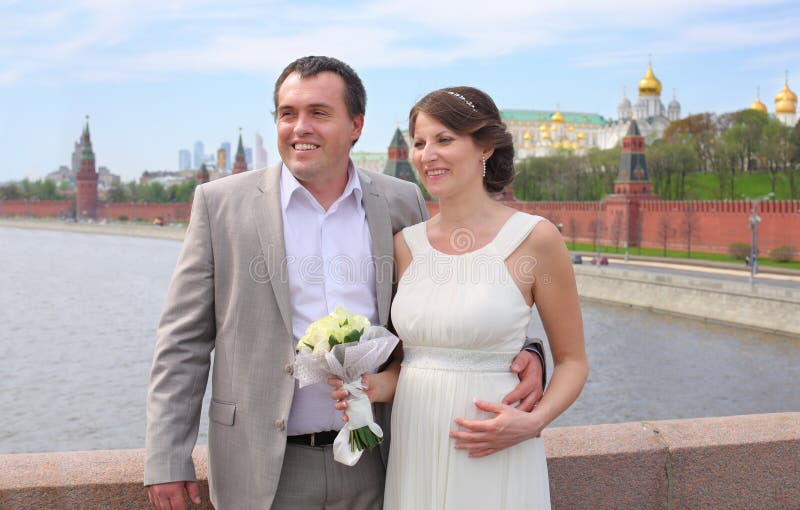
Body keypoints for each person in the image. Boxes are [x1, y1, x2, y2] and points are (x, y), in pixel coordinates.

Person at [144, 57, 545, 510]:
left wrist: (526, 349)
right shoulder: (220, 204)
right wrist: (166, 458)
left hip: (380, 458)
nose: (299, 127)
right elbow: (182, 342)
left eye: (318, 113)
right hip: (265, 466)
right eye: (286, 114)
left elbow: (446, 300)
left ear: (356, 125)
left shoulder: (399, 200)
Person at [337, 86, 589, 509]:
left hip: (493, 445)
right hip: (414, 445)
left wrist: (533, 422)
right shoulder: (403, 246)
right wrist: (375, 385)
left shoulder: (535, 239)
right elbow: (415, 358)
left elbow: (572, 361)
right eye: (419, 142)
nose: (427, 154)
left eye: (444, 139)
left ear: (484, 147)